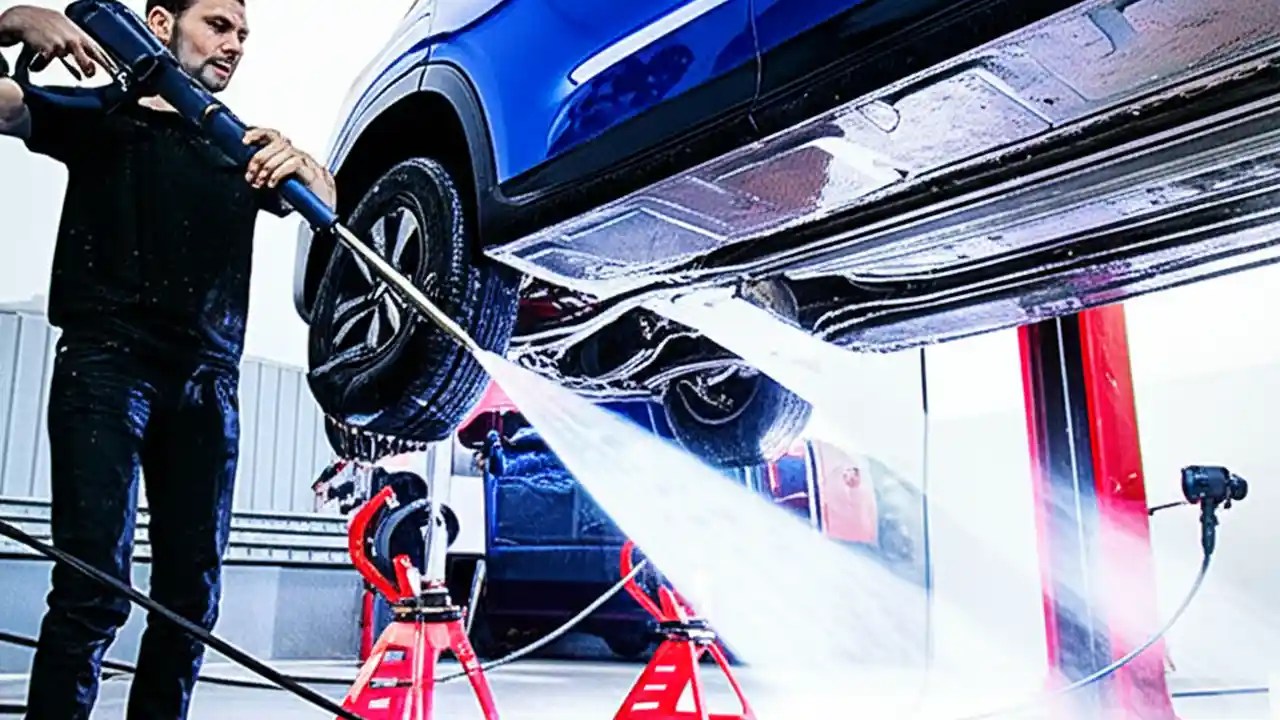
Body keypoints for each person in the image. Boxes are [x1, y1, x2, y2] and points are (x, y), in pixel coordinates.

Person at [0, 1, 337, 718]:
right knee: (93, 589)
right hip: (107, 365)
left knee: (191, 604)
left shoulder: (241, 148)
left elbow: (328, 211)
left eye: (243, 34)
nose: (235, 44)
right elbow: (6, 104)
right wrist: (7, 22)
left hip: (208, 384)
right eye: (218, 24)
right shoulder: (101, 116)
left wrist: (306, 163)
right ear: (160, 24)